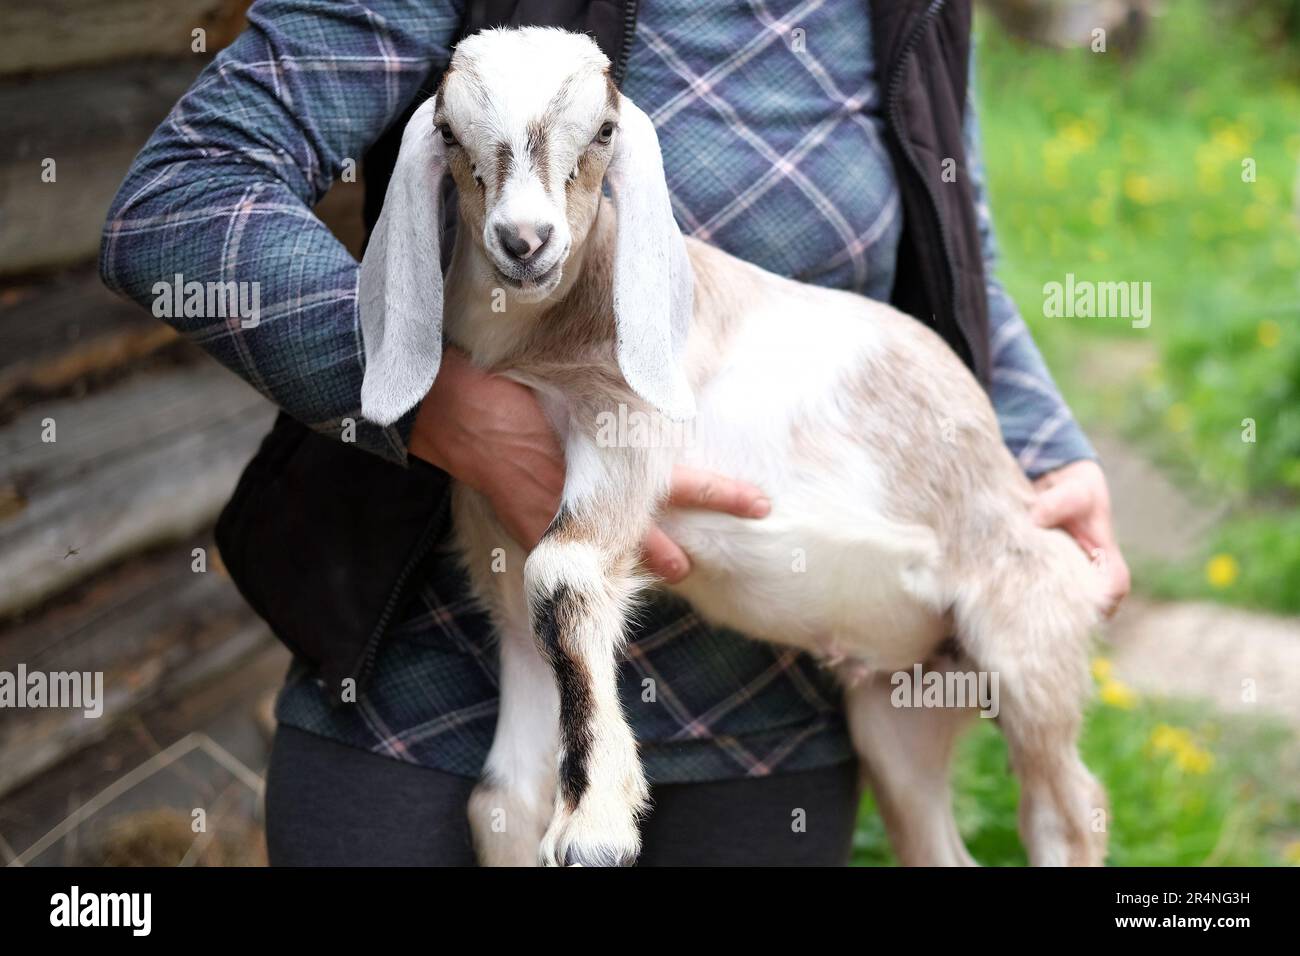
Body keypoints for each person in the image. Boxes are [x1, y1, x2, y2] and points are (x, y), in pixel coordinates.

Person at [101, 0, 1130, 866]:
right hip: (441, 693)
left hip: (766, 710)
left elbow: (957, 232)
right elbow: (183, 204)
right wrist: (443, 410)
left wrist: (1045, 443)